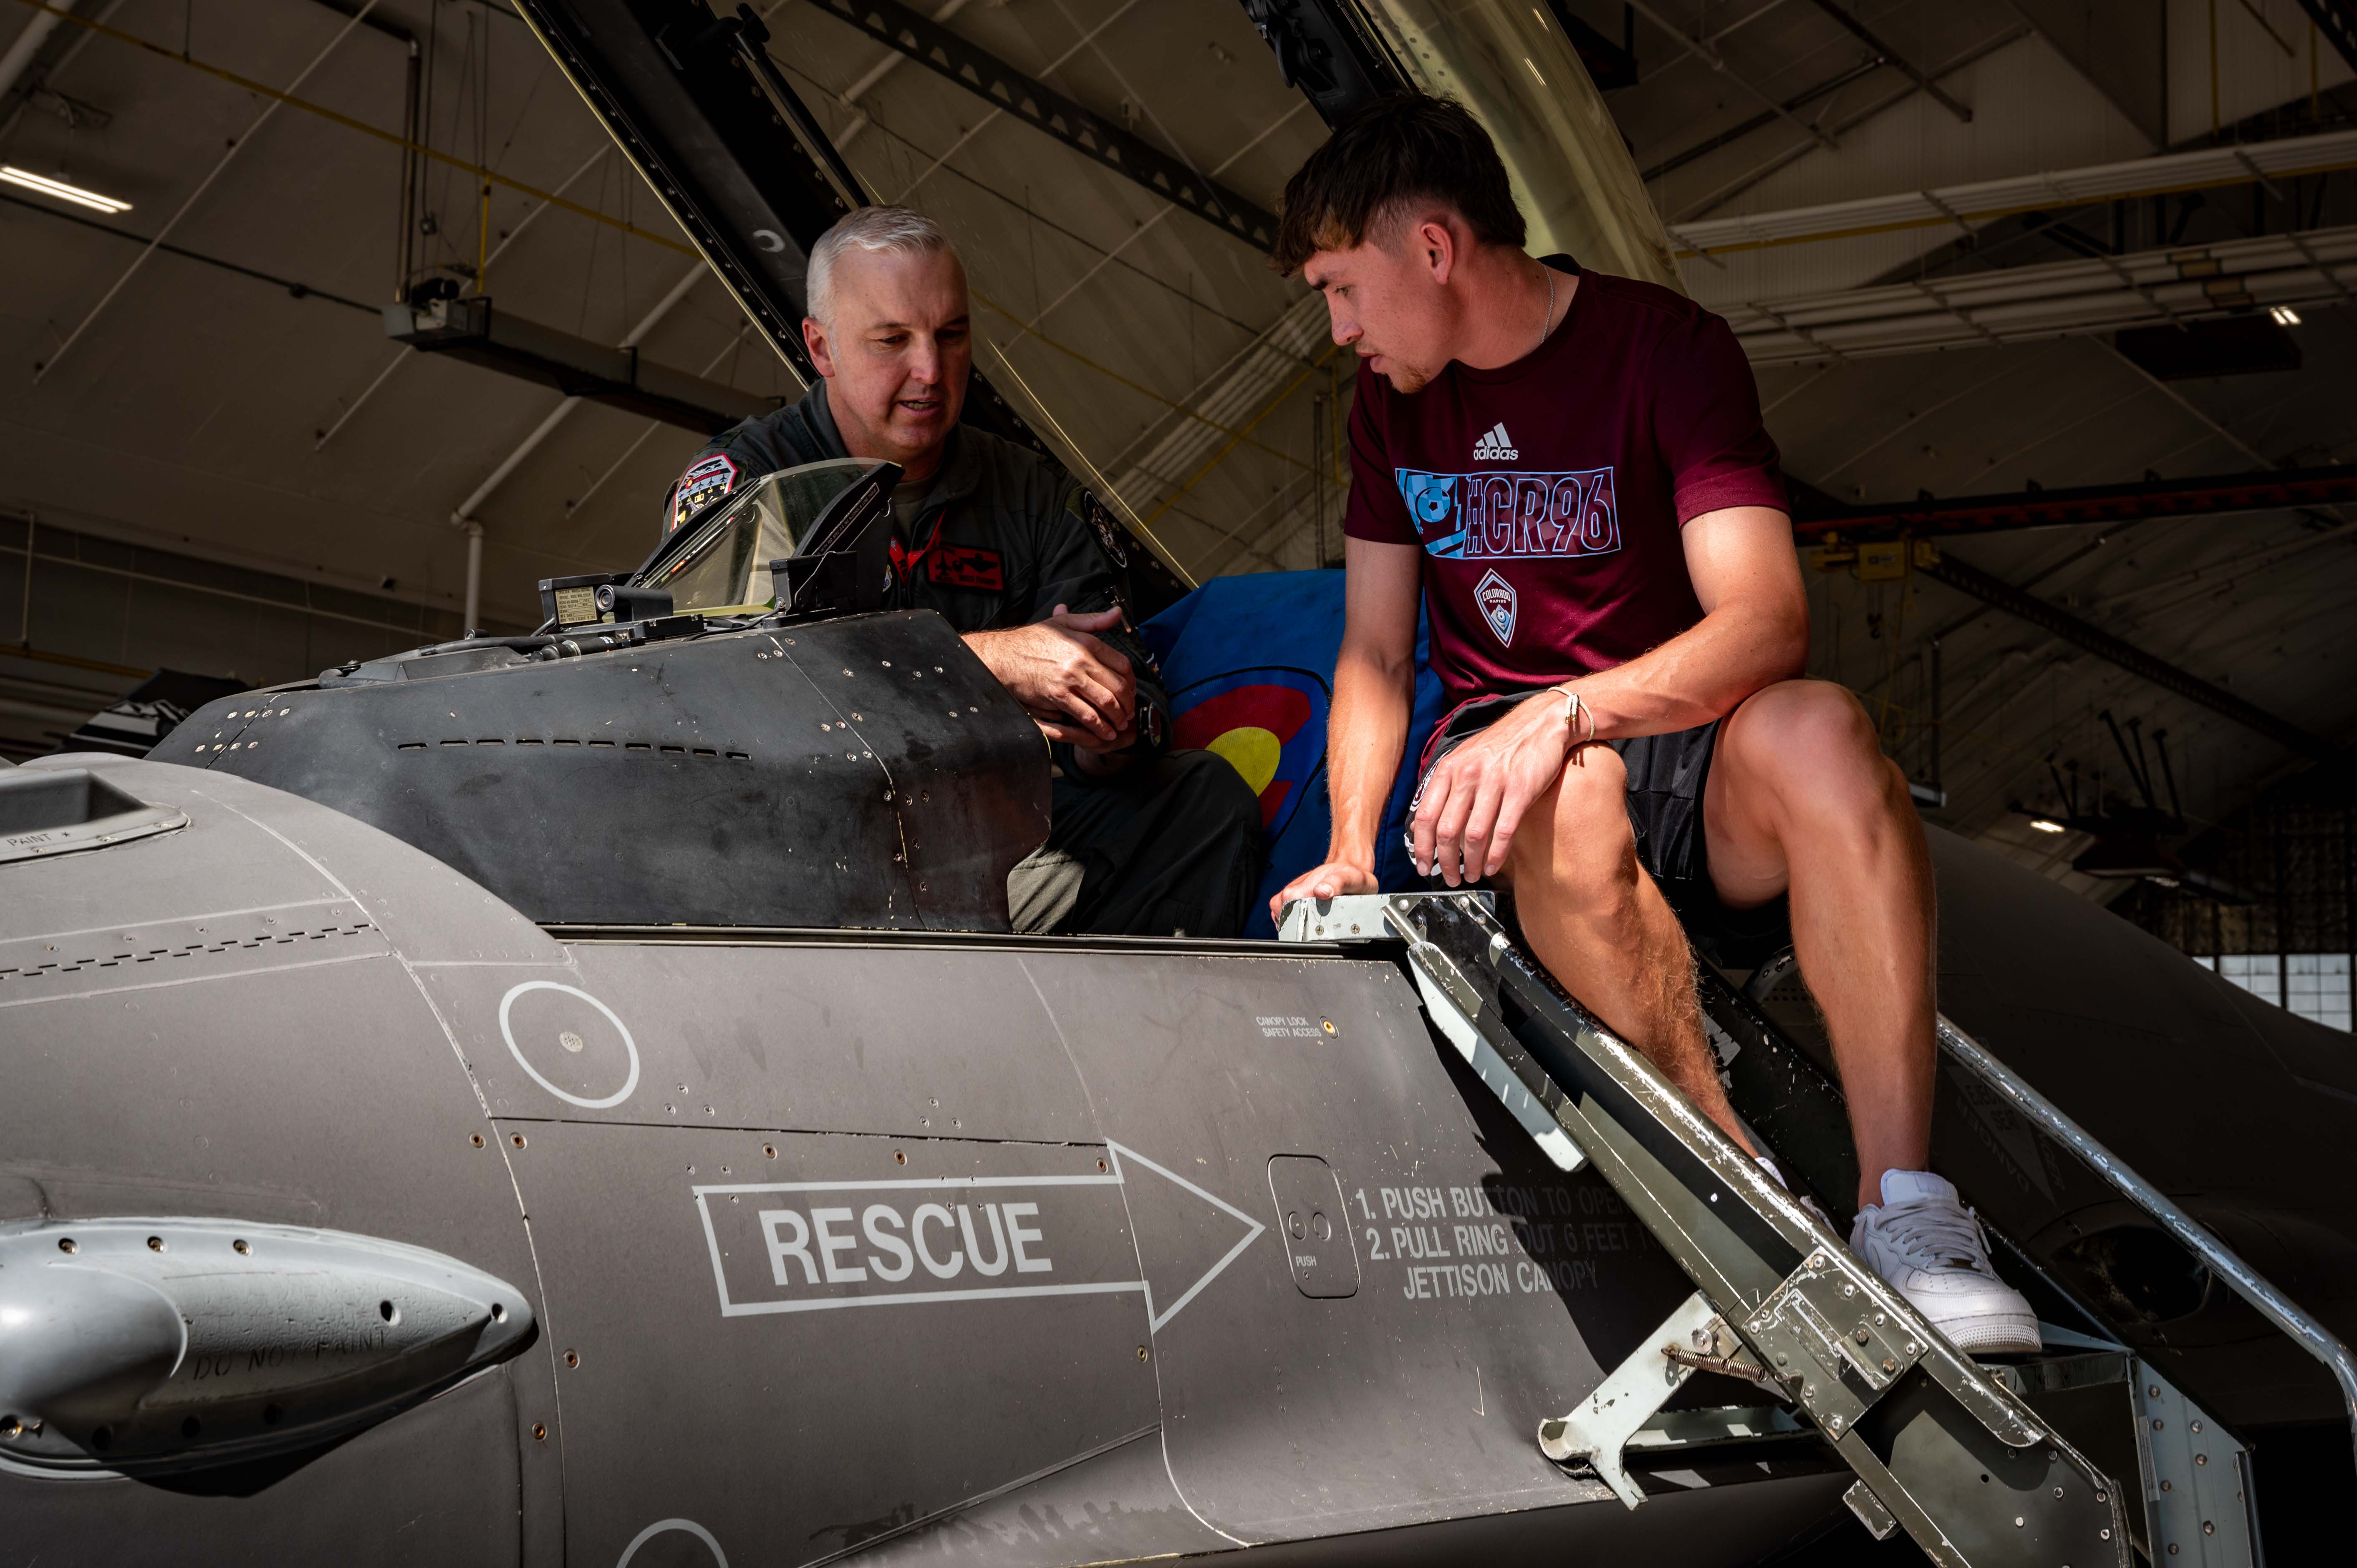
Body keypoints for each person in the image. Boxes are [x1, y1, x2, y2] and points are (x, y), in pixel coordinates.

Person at [1265, 95, 2037, 1354]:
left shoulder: (1665, 349)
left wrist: (1561, 710)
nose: (1339, 329)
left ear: (1434, 251)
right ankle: (1750, 1187)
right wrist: (1353, 844)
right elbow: (1369, 648)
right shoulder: (1387, 410)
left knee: (1827, 728)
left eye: (1343, 289)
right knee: (1562, 796)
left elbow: (1764, 621)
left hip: (1686, 756)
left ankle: (1904, 1210)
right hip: (1531, 803)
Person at [664, 206, 1263, 938]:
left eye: (952, 335)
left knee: (1201, 797)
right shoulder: (746, 484)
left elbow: (1143, 705)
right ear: (820, 348)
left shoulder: (1034, 496)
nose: (931, 371)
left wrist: (1105, 730)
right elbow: (724, 681)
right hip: (804, 848)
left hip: (989, 844)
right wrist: (995, 663)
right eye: (892, 341)